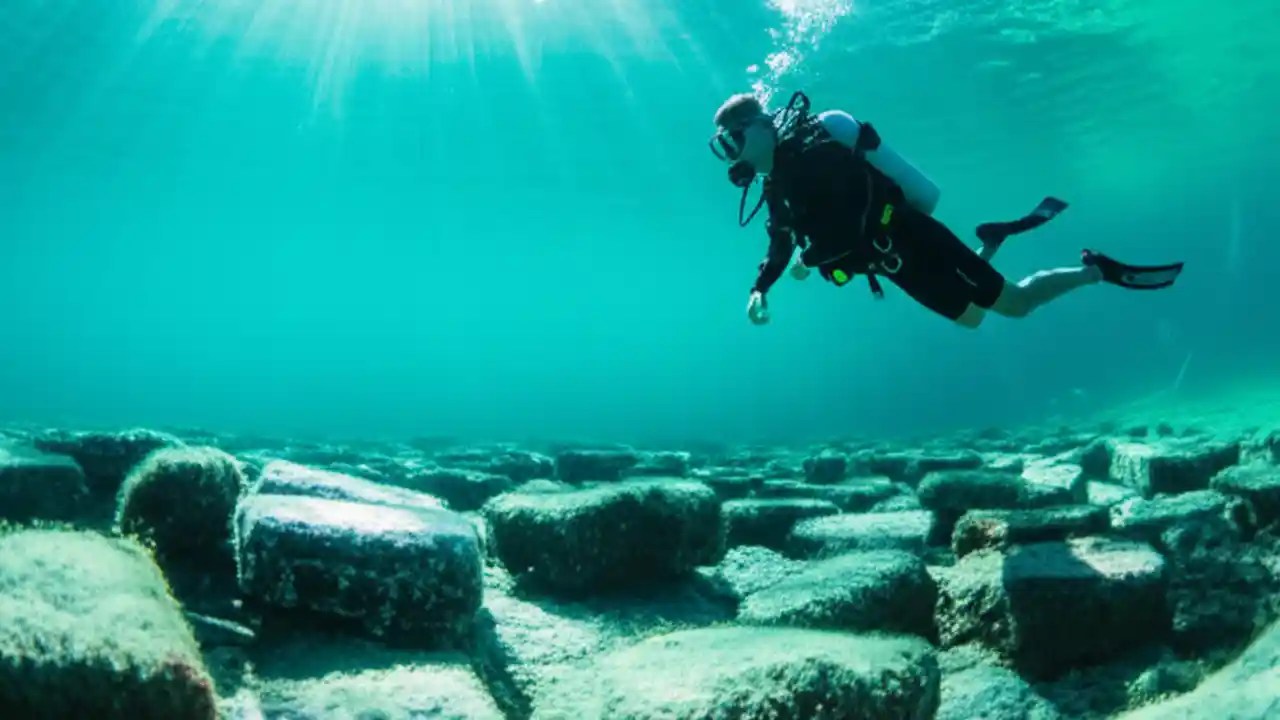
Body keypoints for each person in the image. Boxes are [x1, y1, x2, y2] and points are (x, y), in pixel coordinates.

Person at [707, 91, 1185, 328]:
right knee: (974, 318)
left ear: (761, 126)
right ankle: (992, 239)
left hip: (914, 236)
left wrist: (809, 261)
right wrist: (760, 288)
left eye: (733, 140)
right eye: (723, 148)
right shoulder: (775, 188)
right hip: (890, 266)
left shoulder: (819, 151)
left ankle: (1096, 270)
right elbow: (780, 243)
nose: (732, 155)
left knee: (1014, 306)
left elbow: (849, 223)